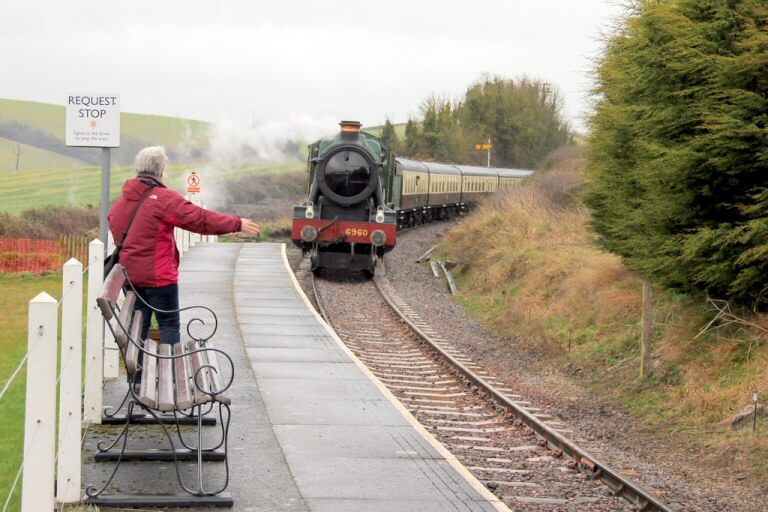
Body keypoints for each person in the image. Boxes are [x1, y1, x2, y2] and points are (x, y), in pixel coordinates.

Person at [108, 146, 259, 386]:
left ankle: (137, 382)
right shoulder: (163, 199)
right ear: (161, 170)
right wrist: (236, 224)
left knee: (140, 328)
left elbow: (114, 224)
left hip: (131, 278)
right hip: (160, 278)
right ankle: (169, 381)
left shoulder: (123, 200)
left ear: (139, 170)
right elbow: (199, 219)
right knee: (168, 324)